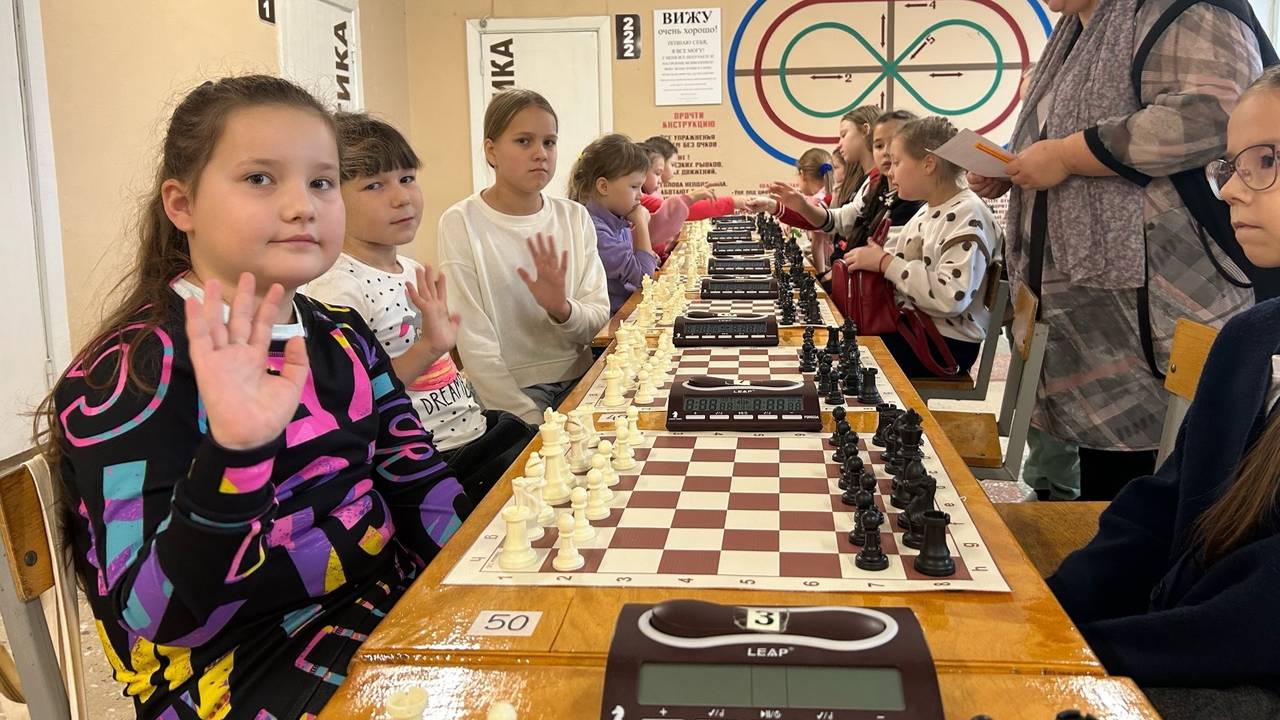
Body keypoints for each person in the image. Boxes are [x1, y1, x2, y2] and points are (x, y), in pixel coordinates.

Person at [38, 76, 470, 718]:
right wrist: (234, 456)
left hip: (386, 605)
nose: (302, 207)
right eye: (261, 179)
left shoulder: (344, 335)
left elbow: (417, 482)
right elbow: (164, 615)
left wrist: (485, 578)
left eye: (322, 182)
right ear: (182, 205)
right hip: (234, 671)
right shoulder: (128, 375)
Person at [1048, 67, 1280, 720]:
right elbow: (1159, 509)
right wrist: (1048, 614)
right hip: (1180, 645)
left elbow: (1256, 619)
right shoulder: (1251, 336)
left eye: (1266, 161)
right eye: (1229, 165)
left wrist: (1080, 653)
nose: (1229, 188)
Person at [967, 0, 1268, 498]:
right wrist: (1016, 167)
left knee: (1169, 481)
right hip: (1097, 318)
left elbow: (1213, 113)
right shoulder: (1076, 30)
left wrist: (1068, 155)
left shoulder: (1182, 8)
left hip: (1159, 307)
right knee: (1108, 482)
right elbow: (1055, 132)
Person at [307, 112, 535, 504]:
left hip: (475, 433)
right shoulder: (338, 288)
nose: (402, 197)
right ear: (329, 198)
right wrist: (428, 347)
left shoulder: (411, 269)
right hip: (426, 461)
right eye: (374, 185)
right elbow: (358, 400)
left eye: (407, 178)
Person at [839, 117, 1000, 377]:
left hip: (946, 345)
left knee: (849, 358)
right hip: (921, 329)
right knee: (844, 341)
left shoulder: (968, 214)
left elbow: (951, 298)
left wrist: (885, 263)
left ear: (928, 164)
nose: (890, 172)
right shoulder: (930, 208)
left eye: (897, 162)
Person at [569, 133, 658, 314]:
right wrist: (641, 223)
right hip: (610, 323)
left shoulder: (617, 219)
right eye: (634, 187)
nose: (641, 195)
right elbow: (645, 278)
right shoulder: (595, 231)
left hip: (623, 312)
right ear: (603, 187)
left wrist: (645, 256)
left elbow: (642, 265)